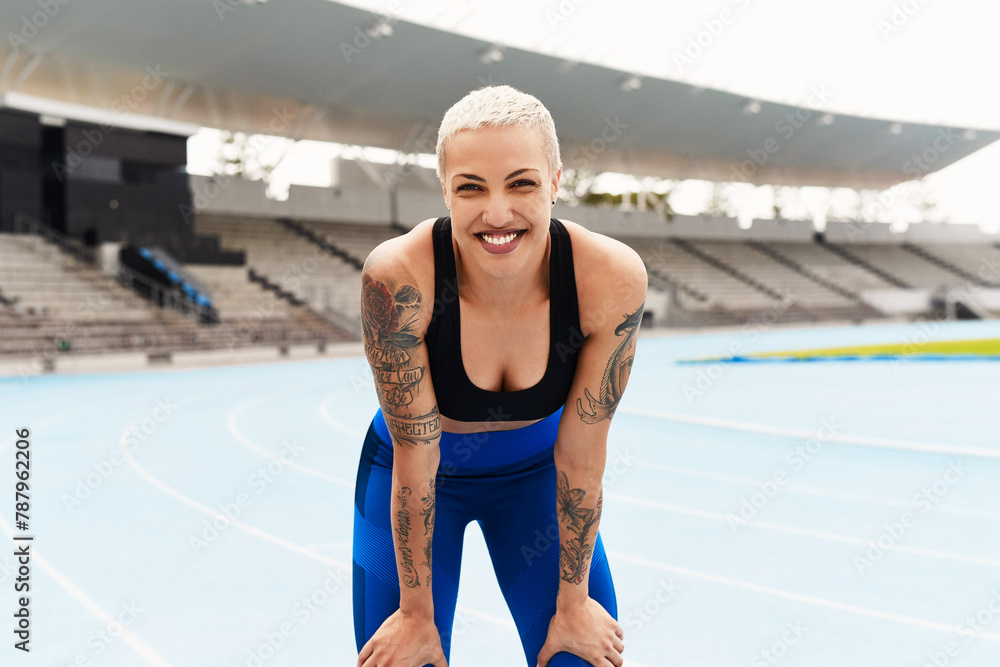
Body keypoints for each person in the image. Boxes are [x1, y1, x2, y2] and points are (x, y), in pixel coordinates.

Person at [353, 85, 647, 667]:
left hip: (539, 478)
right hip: (411, 474)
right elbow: (418, 453)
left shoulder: (608, 278)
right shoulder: (399, 279)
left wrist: (573, 605)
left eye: (522, 183)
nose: (497, 214)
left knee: (581, 657)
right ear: (444, 190)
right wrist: (416, 615)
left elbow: (583, 456)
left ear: (556, 181)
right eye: (471, 188)